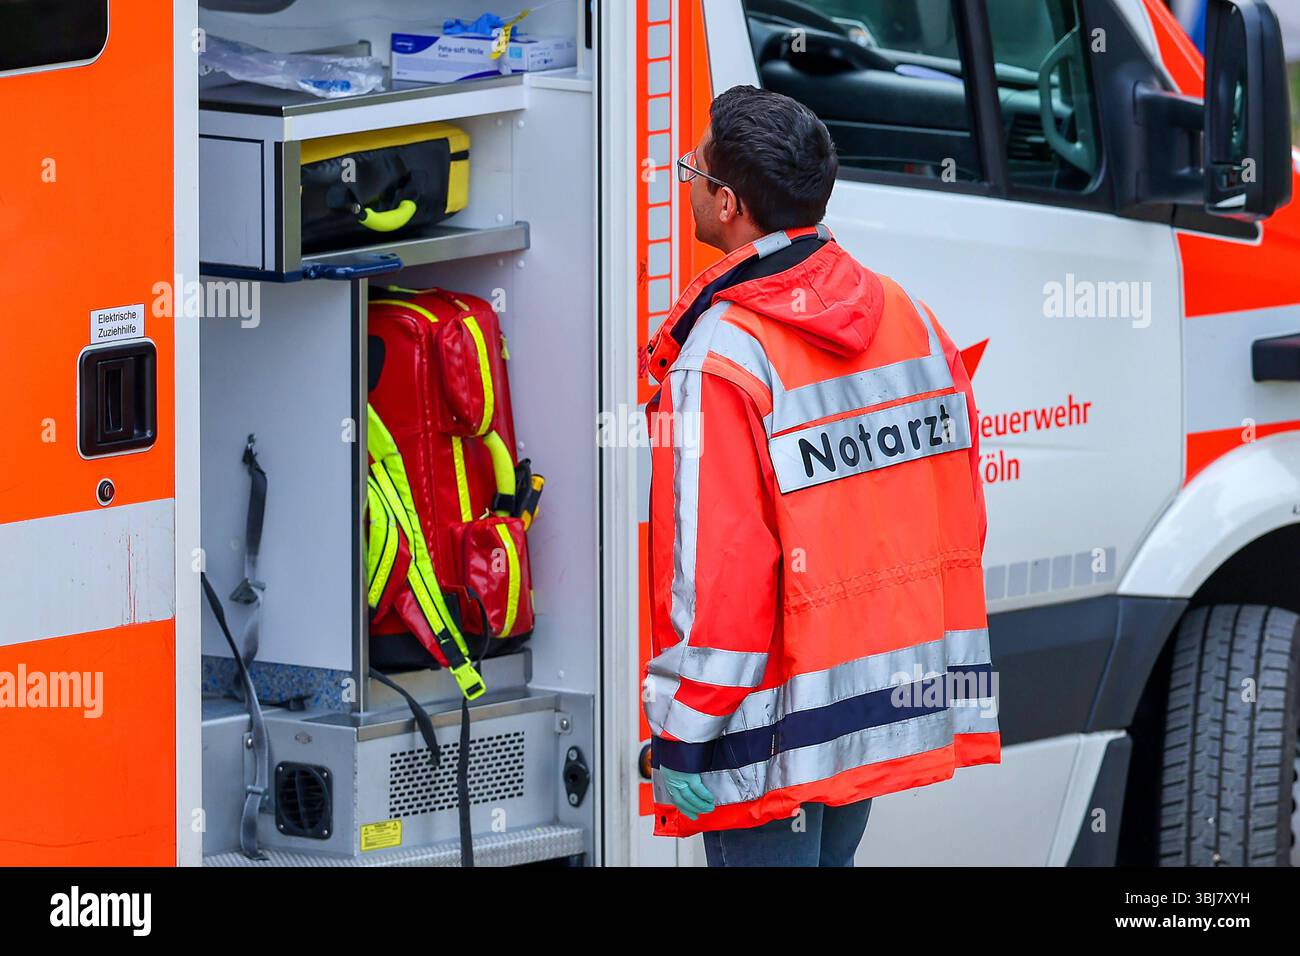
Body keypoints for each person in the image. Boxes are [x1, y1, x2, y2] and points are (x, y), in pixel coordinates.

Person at [641, 86, 1000, 868]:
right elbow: (958, 517)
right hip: (858, 722)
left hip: (764, 739)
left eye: (691, 173)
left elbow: (721, 582)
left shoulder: (723, 361)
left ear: (728, 204)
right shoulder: (910, 316)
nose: (688, 184)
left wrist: (680, 734)